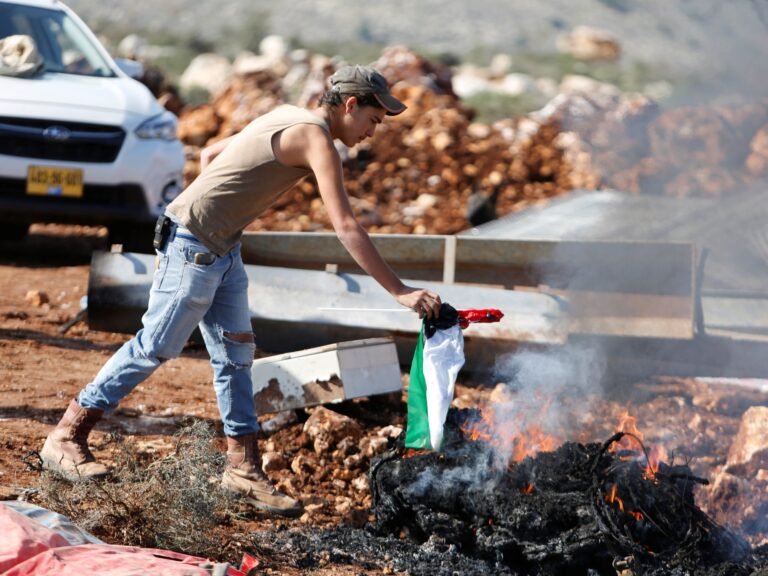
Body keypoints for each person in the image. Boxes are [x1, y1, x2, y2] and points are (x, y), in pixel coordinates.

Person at [39, 64, 443, 517]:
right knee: (156, 345)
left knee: (235, 356)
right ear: (350, 105)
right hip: (195, 246)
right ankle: (67, 435)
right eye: (373, 119)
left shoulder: (287, 114)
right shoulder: (316, 139)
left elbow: (213, 154)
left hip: (219, 247)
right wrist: (400, 291)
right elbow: (346, 227)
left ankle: (242, 469)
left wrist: (217, 214)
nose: (373, 132)